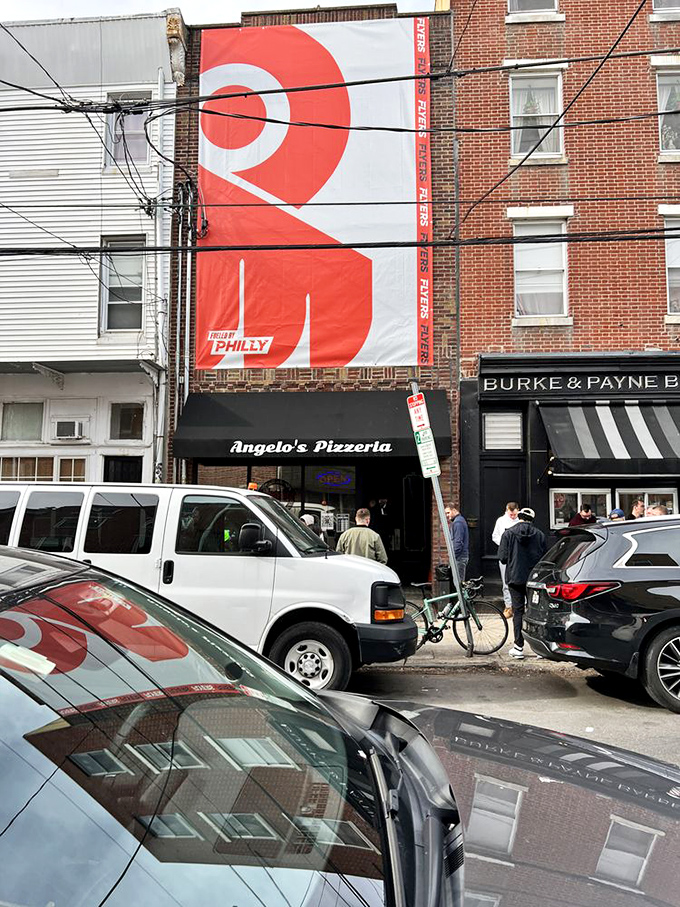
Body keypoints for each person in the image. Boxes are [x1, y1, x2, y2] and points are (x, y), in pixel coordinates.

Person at [498, 507, 547, 660]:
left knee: (517, 612)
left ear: (518, 516)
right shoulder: (540, 535)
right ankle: (539, 649)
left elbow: (502, 558)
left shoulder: (508, 533)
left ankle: (518, 647)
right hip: (534, 580)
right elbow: (545, 558)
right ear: (532, 519)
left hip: (515, 578)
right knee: (536, 612)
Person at [491, 502, 520, 619]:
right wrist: (504, 544)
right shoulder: (501, 521)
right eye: (510, 514)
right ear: (506, 511)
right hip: (506, 554)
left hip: (518, 555)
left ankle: (519, 606)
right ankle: (508, 606)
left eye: (514, 514)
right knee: (505, 581)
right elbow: (495, 536)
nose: (513, 516)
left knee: (519, 580)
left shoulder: (520, 521)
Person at [444, 503, 469, 582]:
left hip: (459, 558)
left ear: (454, 510)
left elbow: (458, 542)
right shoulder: (459, 521)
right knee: (458, 582)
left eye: (448, 512)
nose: (447, 515)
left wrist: (453, 557)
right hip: (460, 557)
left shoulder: (458, 523)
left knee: (459, 583)